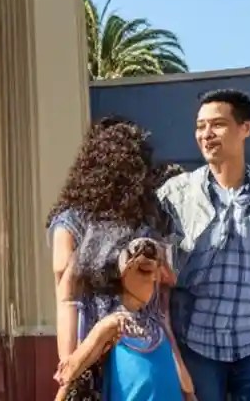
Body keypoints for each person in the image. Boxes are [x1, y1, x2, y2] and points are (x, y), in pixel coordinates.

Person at [158, 89, 250, 401]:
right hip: (195, 344)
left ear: (245, 128)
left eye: (217, 124)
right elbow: (157, 276)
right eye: (200, 126)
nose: (206, 134)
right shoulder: (174, 195)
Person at [46, 117, 193, 397]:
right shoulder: (149, 220)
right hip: (143, 344)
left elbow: (65, 297)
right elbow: (165, 291)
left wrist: (70, 365)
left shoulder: (70, 222)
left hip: (98, 350)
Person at [54, 230, 183, 400]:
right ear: (122, 275)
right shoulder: (113, 325)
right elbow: (71, 371)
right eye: (144, 271)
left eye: (156, 271)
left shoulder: (156, 322)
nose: (153, 279)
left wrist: (190, 393)